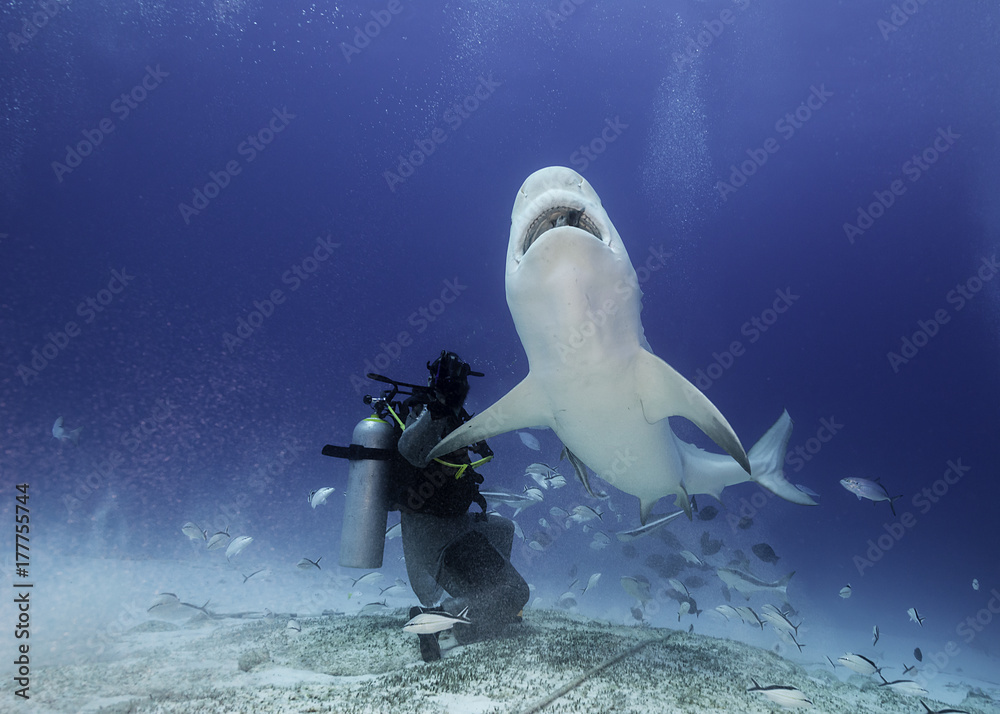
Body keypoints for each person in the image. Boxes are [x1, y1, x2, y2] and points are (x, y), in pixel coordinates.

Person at [384, 350, 529, 662]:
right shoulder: (424, 412)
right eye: (454, 384)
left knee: (504, 526)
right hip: (435, 543)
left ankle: (485, 605)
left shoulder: (454, 418)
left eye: (461, 385)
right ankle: (432, 619)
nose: (459, 391)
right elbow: (410, 449)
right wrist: (435, 410)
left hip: (459, 528)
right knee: (517, 594)